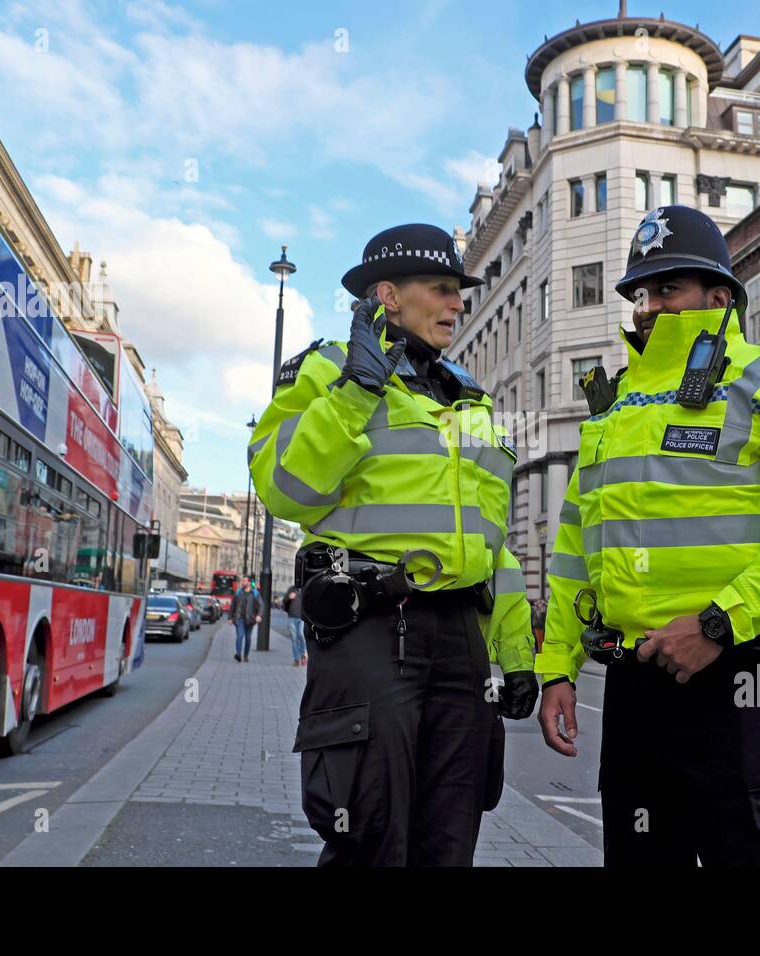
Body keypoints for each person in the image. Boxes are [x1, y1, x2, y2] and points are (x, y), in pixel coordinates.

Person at [535, 205, 760, 867]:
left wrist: (716, 625)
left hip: (737, 685)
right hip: (634, 694)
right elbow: (575, 552)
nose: (649, 306)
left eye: (668, 289)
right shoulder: (614, 405)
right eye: (641, 292)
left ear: (718, 298)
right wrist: (557, 670)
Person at [248, 223, 537, 867]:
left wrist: (517, 655)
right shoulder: (326, 370)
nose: (457, 303)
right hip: (371, 626)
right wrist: (354, 395)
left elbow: (496, 549)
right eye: (441, 289)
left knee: (450, 838)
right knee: (370, 836)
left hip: (460, 641)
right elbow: (286, 488)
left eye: (458, 290)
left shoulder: (470, 400)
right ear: (388, 294)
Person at [230, 576, 261, 662]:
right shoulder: (238, 593)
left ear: (249, 582)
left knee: (248, 638)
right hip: (239, 618)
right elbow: (233, 606)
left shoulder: (255, 593)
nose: (242, 582)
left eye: (244, 581)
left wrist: (259, 615)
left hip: (250, 619)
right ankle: (238, 654)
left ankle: (246, 655)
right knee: (239, 636)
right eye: (242, 581)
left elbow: (261, 605)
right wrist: (230, 618)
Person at [282, 586, 307, 666]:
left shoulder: (305, 588)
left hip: (303, 618)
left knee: (301, 634)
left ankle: (303, 654)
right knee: (294, 638)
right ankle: (296, 659)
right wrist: (289, 598)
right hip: (292, 617)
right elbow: (284, 601)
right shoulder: (291, 589)